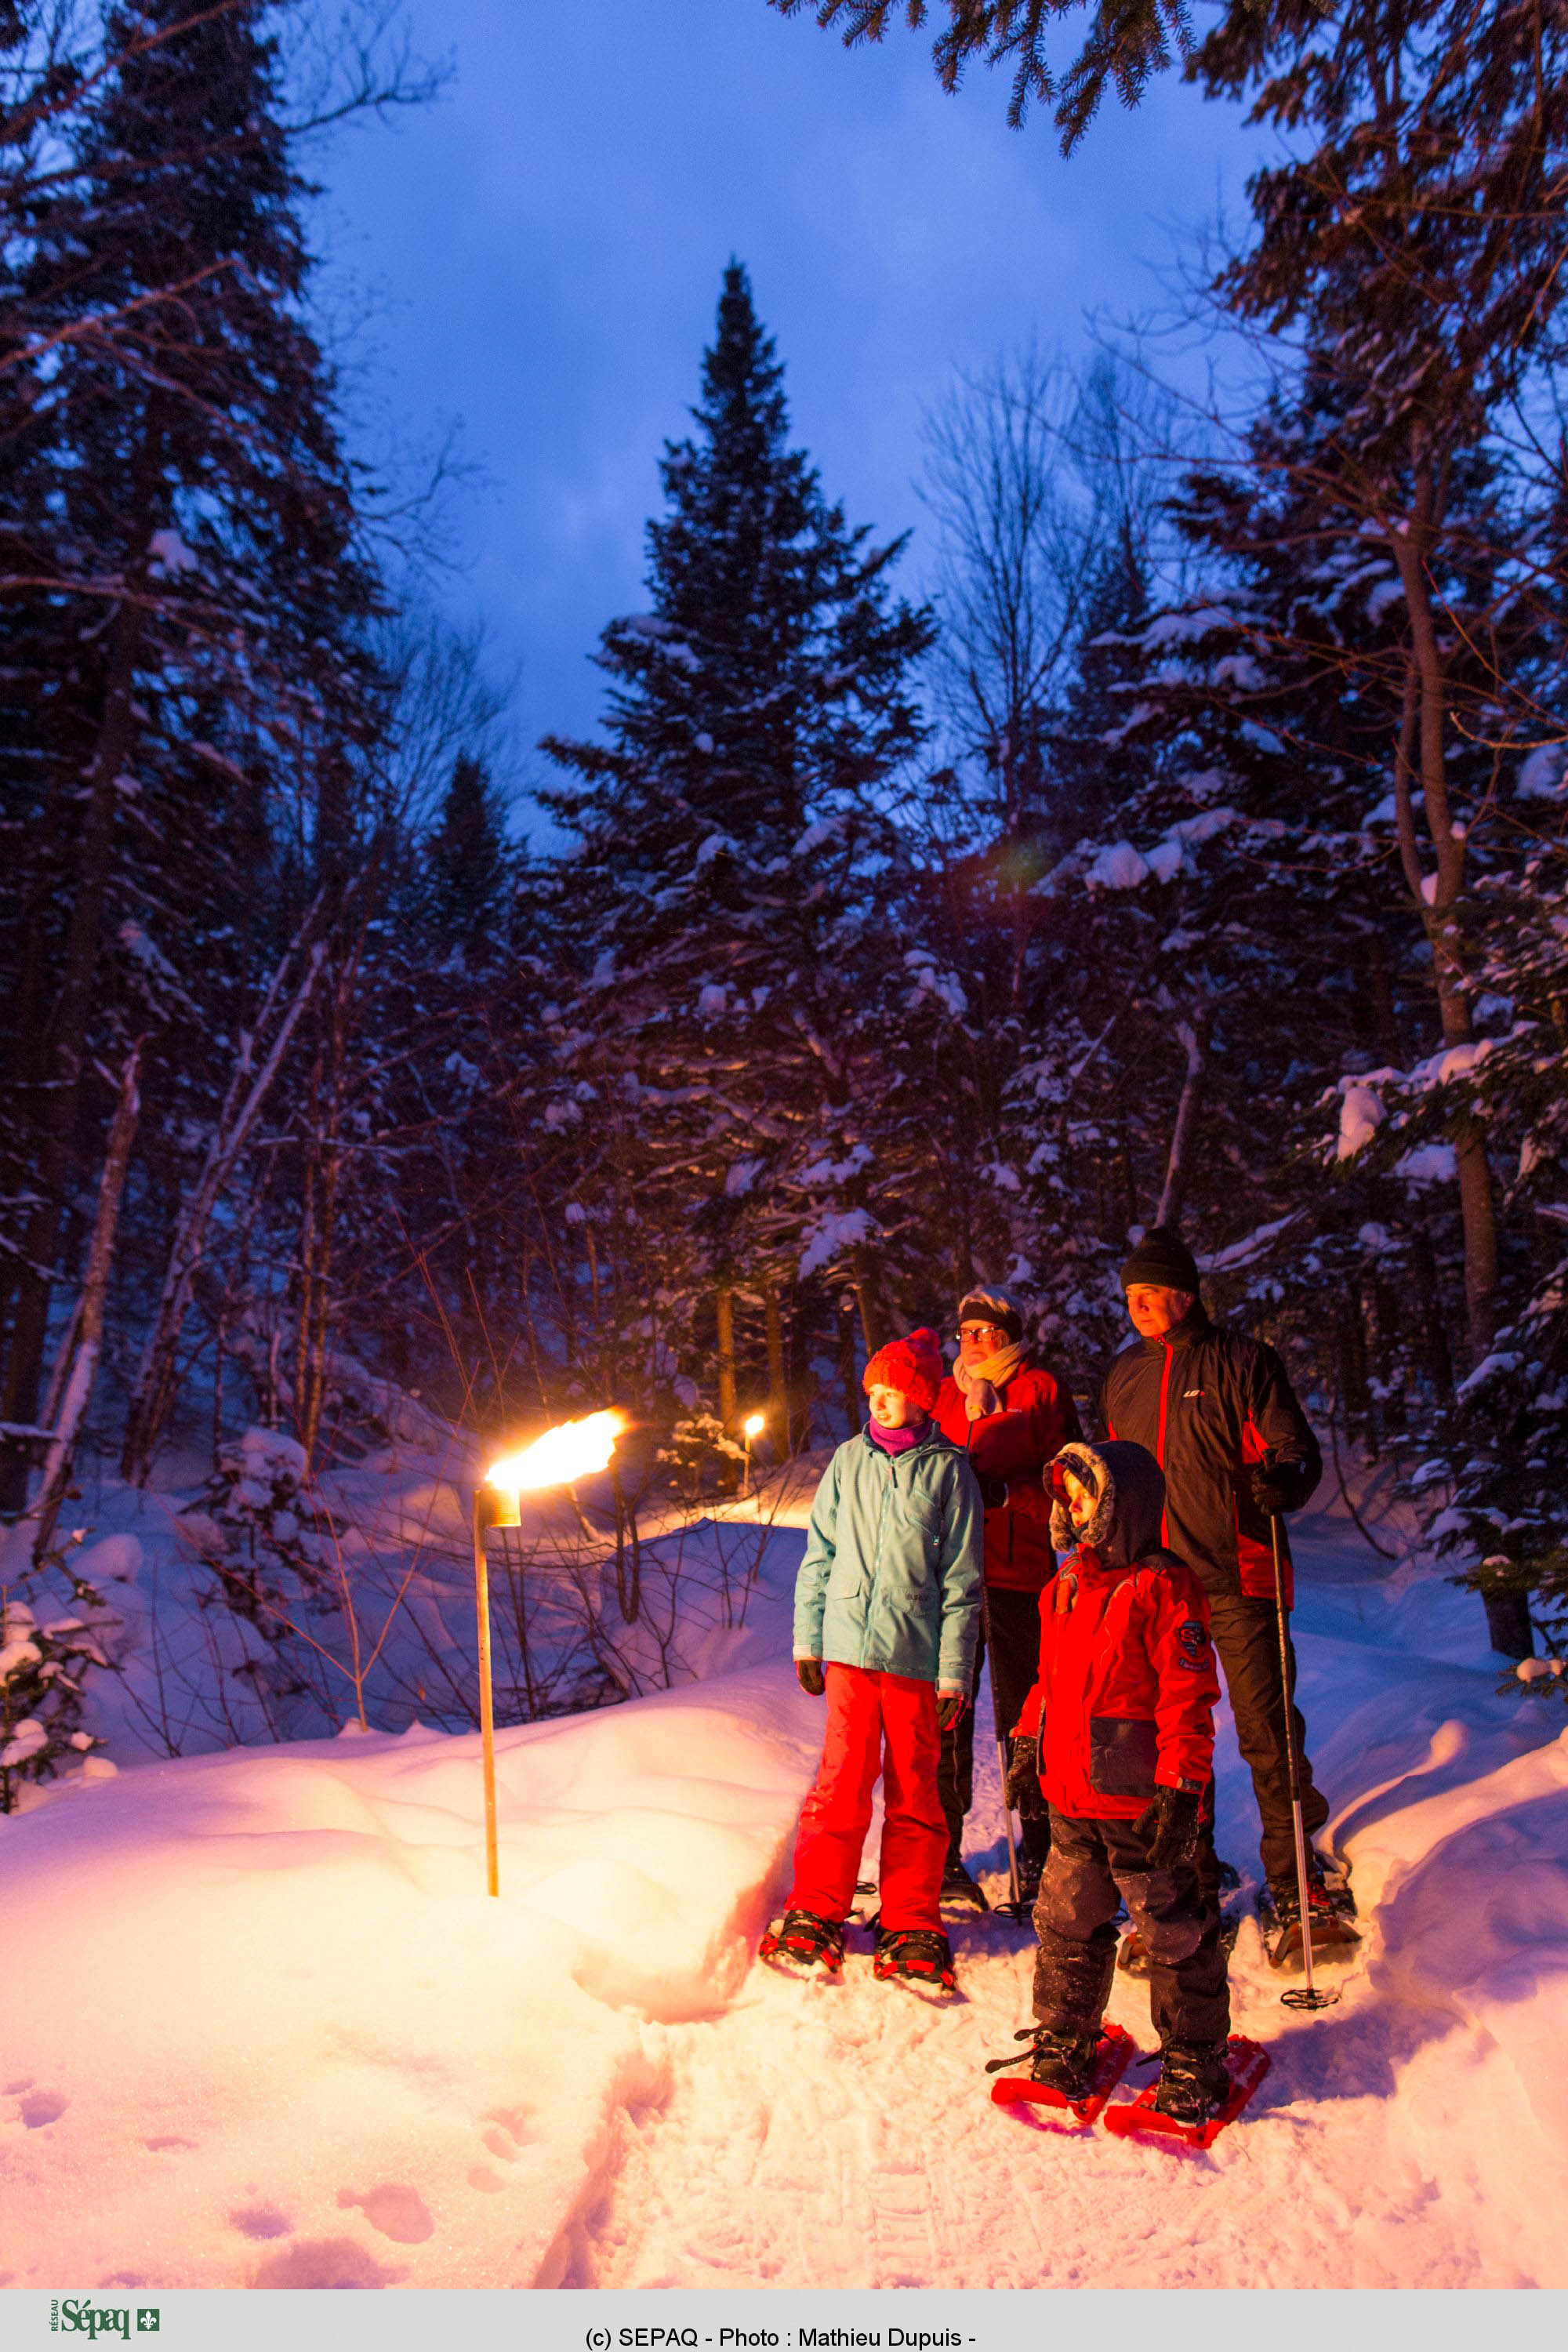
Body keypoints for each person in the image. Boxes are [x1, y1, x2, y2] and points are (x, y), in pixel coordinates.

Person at [1099, 1225, 1343, 1946]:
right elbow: (1109, 1474)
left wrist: (1287, 1477)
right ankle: (1191, 1885)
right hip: (1157, 1586)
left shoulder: (1244, 1360)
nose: (1139, 1305)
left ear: (1185, 1294)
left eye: (1152, 1292)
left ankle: (1295, 1881)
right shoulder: (1125, 1375)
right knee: (1173, 1742)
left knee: (1268, 1733)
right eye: (1131, 1295)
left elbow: (1294, 1447)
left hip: (1238, 1575)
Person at [1004, 1437, 1232, 2124]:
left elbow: (1189, 1695)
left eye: (1086, 1497)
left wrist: (1181, 1786)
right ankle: (1066, 2035)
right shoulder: (1063, 1587)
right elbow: (1047, 1682)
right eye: (1068, 1498)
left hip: (1141, 1800)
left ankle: (1195, 2054)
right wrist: (1028, 1742)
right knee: (1068, 1918)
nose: (1073, 1509)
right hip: (1072, 1795)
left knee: (1170, 1926)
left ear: (1121, 1505)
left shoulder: (1163, 1586)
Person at [764, 1327, 984, 1992]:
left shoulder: (949, 1471)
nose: (879, 1401)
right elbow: (820, 1555)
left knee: (915, 1790)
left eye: (893, 1391)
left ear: (923, 1400)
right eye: (874, 1390)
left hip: (915, 1655)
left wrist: (954, 1672)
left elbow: (962, 1581)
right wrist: (808, 1640)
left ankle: (911, 1915)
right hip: (850, 1652)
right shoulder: (847, 1462)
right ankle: (817, 1906)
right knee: (841, 1781)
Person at [931, 1287, 1080, 1909]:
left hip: (1020, 1574)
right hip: (952, 1580)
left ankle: (1043, 1846)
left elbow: (1071, 1482)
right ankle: (943, 1852)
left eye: (987, 1332)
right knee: (948, 1713)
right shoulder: (945, 1395)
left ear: (1011, 1335)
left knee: (1028, 1714)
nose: (974, 1343)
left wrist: (1009, 1494)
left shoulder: (1040, 1390)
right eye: (966, 1333)